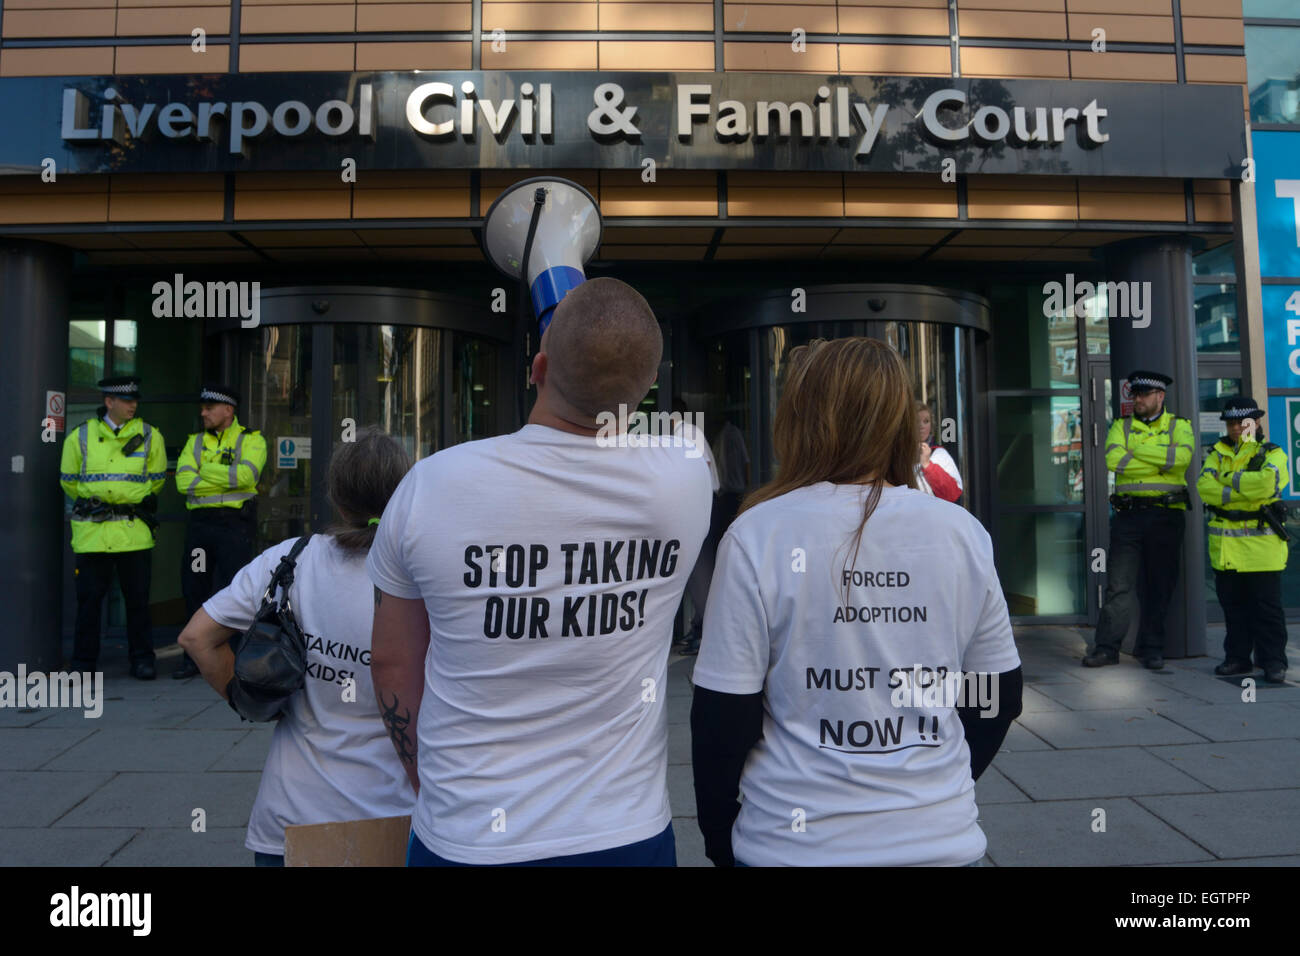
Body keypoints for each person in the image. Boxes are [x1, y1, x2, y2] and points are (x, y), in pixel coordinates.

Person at [367, 277, 712, 867]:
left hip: (468, 834)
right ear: (648, 390)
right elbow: (682, 433)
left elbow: (394, 661)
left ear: (536, 369)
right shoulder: (684, 478)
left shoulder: (432, 483)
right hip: (623, 835)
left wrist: (427, 779)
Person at [690, 338, 1022, 867]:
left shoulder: (758, 534)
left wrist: (718, 839)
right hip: (940, 843)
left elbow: (722, 719)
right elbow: (998, 698)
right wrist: (934, 789)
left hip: (792, 847)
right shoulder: (962, 534)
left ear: (797, 420)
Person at [177, 428, 416, 865]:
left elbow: (196, 638)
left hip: (290, 821)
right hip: (398, 818)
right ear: (403, 493)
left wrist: (248, 697)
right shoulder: (423, 571)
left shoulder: (289, 559)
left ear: (336, 498)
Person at [1082, 370, 1195, 671]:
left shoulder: (1180, 426)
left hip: (1166, 515)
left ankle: (1152, 649)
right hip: (1128, 516)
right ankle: (1106, 649)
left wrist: (1137, 452)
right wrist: (1159, 458)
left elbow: (1180, 460)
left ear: (1160, 396)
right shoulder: (1120, 426)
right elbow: (1113, 460)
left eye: (1143, 394)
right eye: (1134, 394)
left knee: (1159, 585)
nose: (1137, 399)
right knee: (1118, 585)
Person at [59, 376, 167, 680]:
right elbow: (68, 480)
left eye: (135, 400)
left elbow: (156, 480)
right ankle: (83, 664)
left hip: (133, 534)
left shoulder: (149, 435)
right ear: (109, 402)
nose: (133, 405)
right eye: (127, 400)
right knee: (89, 604)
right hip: (93, 535)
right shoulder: (80, 436)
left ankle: (142, 660)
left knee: (137, 602)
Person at [172, 385, 267, 680]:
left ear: (228, 410)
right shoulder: (194, 441)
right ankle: (193, 659)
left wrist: (204, 470)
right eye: (202, 407)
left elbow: (247, 476)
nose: (203, 413)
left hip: (233, 527)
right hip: (201, 527)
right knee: (195, 587)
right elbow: (183, 482)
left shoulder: (252, 440)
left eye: (209, 408)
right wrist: (226, 477)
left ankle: (238, 657)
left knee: (236, 588)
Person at [1196, 397, 1289, 684]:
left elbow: (1266, 484)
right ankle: (1237, 659)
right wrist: (1243, 488)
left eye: (1242, 422)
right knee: (1234, 610)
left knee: (1267, 610)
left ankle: (1273, 662)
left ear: (1256, 422)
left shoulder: (1273, 453)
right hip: (1227, 549)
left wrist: (1226, 479)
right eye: (1231, 423)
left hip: (1262, 548)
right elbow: (1204, 489)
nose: (1236, 428)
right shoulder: (1217, 452)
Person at [672, 396, 720, 657]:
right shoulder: (686, 432)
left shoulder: (687, 432)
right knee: (695, 572)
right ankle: (700, 629)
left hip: (701, 503)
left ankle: (707, 636)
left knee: (699, 572)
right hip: (701, 502)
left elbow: (703, 465)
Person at [915, 401, 962, 502]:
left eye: (926, 421)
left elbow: (953, 494)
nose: (921, 426)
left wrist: (927, 465)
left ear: (931, 426)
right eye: (916, 421)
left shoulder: (939, 454)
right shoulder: (897, 455)